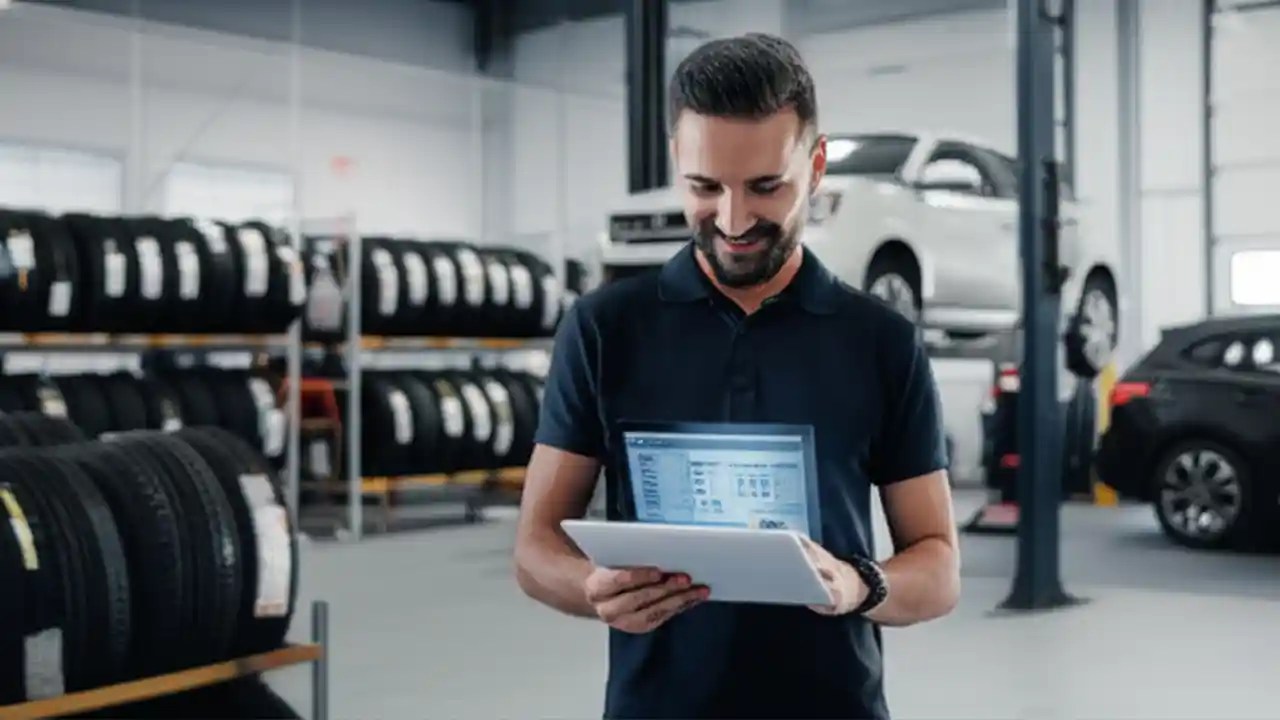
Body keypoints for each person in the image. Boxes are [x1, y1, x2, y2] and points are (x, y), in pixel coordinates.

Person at [513, 32, 961, 720]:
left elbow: (937, 569)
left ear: (814, 167)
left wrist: (858, 583)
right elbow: (535, 548)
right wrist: (590, 587)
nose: (733, 219)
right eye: (705, 187)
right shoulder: (605, 329)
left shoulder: (880, 342)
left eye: (764, 186)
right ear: (677, 165)